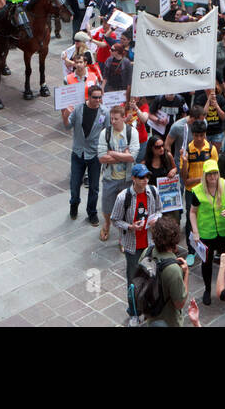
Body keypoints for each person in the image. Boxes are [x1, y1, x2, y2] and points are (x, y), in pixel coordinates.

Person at [112, 163, 160, 322]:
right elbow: (115, 220)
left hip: (149, 243)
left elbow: (159, 210)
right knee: (133, 281)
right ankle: (133, 312)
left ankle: (147, 307)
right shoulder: (123, 197)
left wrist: (155, 220)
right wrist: (131, 227)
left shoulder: (153, 191)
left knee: (151, 277)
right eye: (141, 178)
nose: (145, 180)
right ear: (133, 178)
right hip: (132, 246)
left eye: (147, 177)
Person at [191, 160, 225, 304]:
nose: (213, 177)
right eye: (209, 174)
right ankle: (207, 289)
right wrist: (196, 232)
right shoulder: (197, 191)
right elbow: (192, 212)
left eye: (215, 173)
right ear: (204, 175)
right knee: (207, 263)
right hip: (206, 233)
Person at [63, 86, 108, 225]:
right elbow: (67, 126)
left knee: (94, 186)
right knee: (75, 183)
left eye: (100, 97)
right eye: (95, 97)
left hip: (94, 154)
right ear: (88, 97)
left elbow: (106, 133)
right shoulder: (78, 109)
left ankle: (92, 212)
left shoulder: (104, 112)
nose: (98, 100)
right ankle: (74, 204)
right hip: (78, 153)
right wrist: (65, 115)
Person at [99, 105, 138, 243]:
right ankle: (107, 224)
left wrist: (113, 153)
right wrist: (124, 155)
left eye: (116, 119)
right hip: (110, 177)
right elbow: (102, 157)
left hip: (127, 179)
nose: (113, 122)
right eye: (111, 119)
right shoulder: (105, 133)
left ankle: (123, 235)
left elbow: (133, 157)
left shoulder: (132, 132)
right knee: (107, 206)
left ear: (123, 118)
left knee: (127, 209)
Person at [145, 214, 189, 327]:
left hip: (151, 315)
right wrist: (186, 274)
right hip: (168, 320)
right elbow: (179, 303)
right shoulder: (173, 269)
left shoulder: (147, 252)